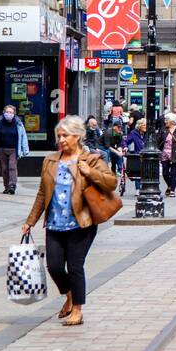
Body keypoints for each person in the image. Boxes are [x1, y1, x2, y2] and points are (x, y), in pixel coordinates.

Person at [22, 115, 117, 327]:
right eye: (59, 136)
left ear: (78, 136)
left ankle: (77, 310)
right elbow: (41, 193)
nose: (61, 140)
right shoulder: (50, 160)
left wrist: (90, 172)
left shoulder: (91, 159)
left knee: (75, 266)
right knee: (54, 267)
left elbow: (111, 182)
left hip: (81, 223)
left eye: (65, 135)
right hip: (55, 223)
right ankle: (69, 294)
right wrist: (31, 221)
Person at [0, 105, 29, 196]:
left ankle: (12, 186)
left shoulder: (18, 124)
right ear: (3, 112)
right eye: (7, 112)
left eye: (11, 112)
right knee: (5, 169)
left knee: (12, 167)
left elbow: (23, 137)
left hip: (14, 149)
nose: (9, 114)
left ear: (14, 114)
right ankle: (6, 186)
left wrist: (25, 150)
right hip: (2, 149)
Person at [158, 112, 176, 198]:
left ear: (172, 121)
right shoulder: (163, 129)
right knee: (165, 173)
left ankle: (172, 190)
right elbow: (158, 140)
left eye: (167, 120)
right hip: (164, 154)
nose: (165, 121)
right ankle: (170, 185)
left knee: (174, 173)